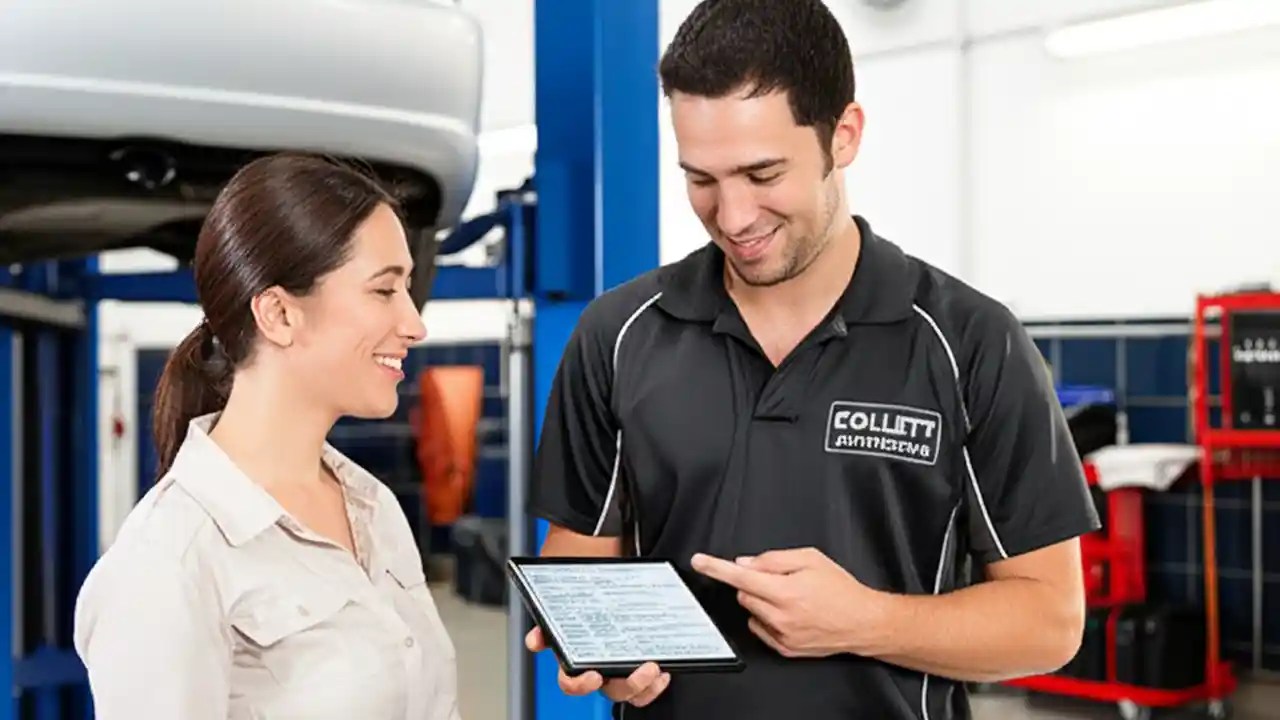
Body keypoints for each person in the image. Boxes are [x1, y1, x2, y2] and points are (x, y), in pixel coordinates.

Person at [523, 0, 1100, 718]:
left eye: (763, 174)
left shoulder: (970, 341)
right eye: (701, 178)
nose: (732, 217)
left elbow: (1050, 623)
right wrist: (601, 653)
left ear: (844, 135)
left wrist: (865, 620)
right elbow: (581, 559)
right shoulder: (618, 334)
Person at [73, 154, 461, 720]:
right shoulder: (169, 562)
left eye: (408, 288)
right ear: (278, 313)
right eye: (384, 291)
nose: (414, 323)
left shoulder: (373, 508)